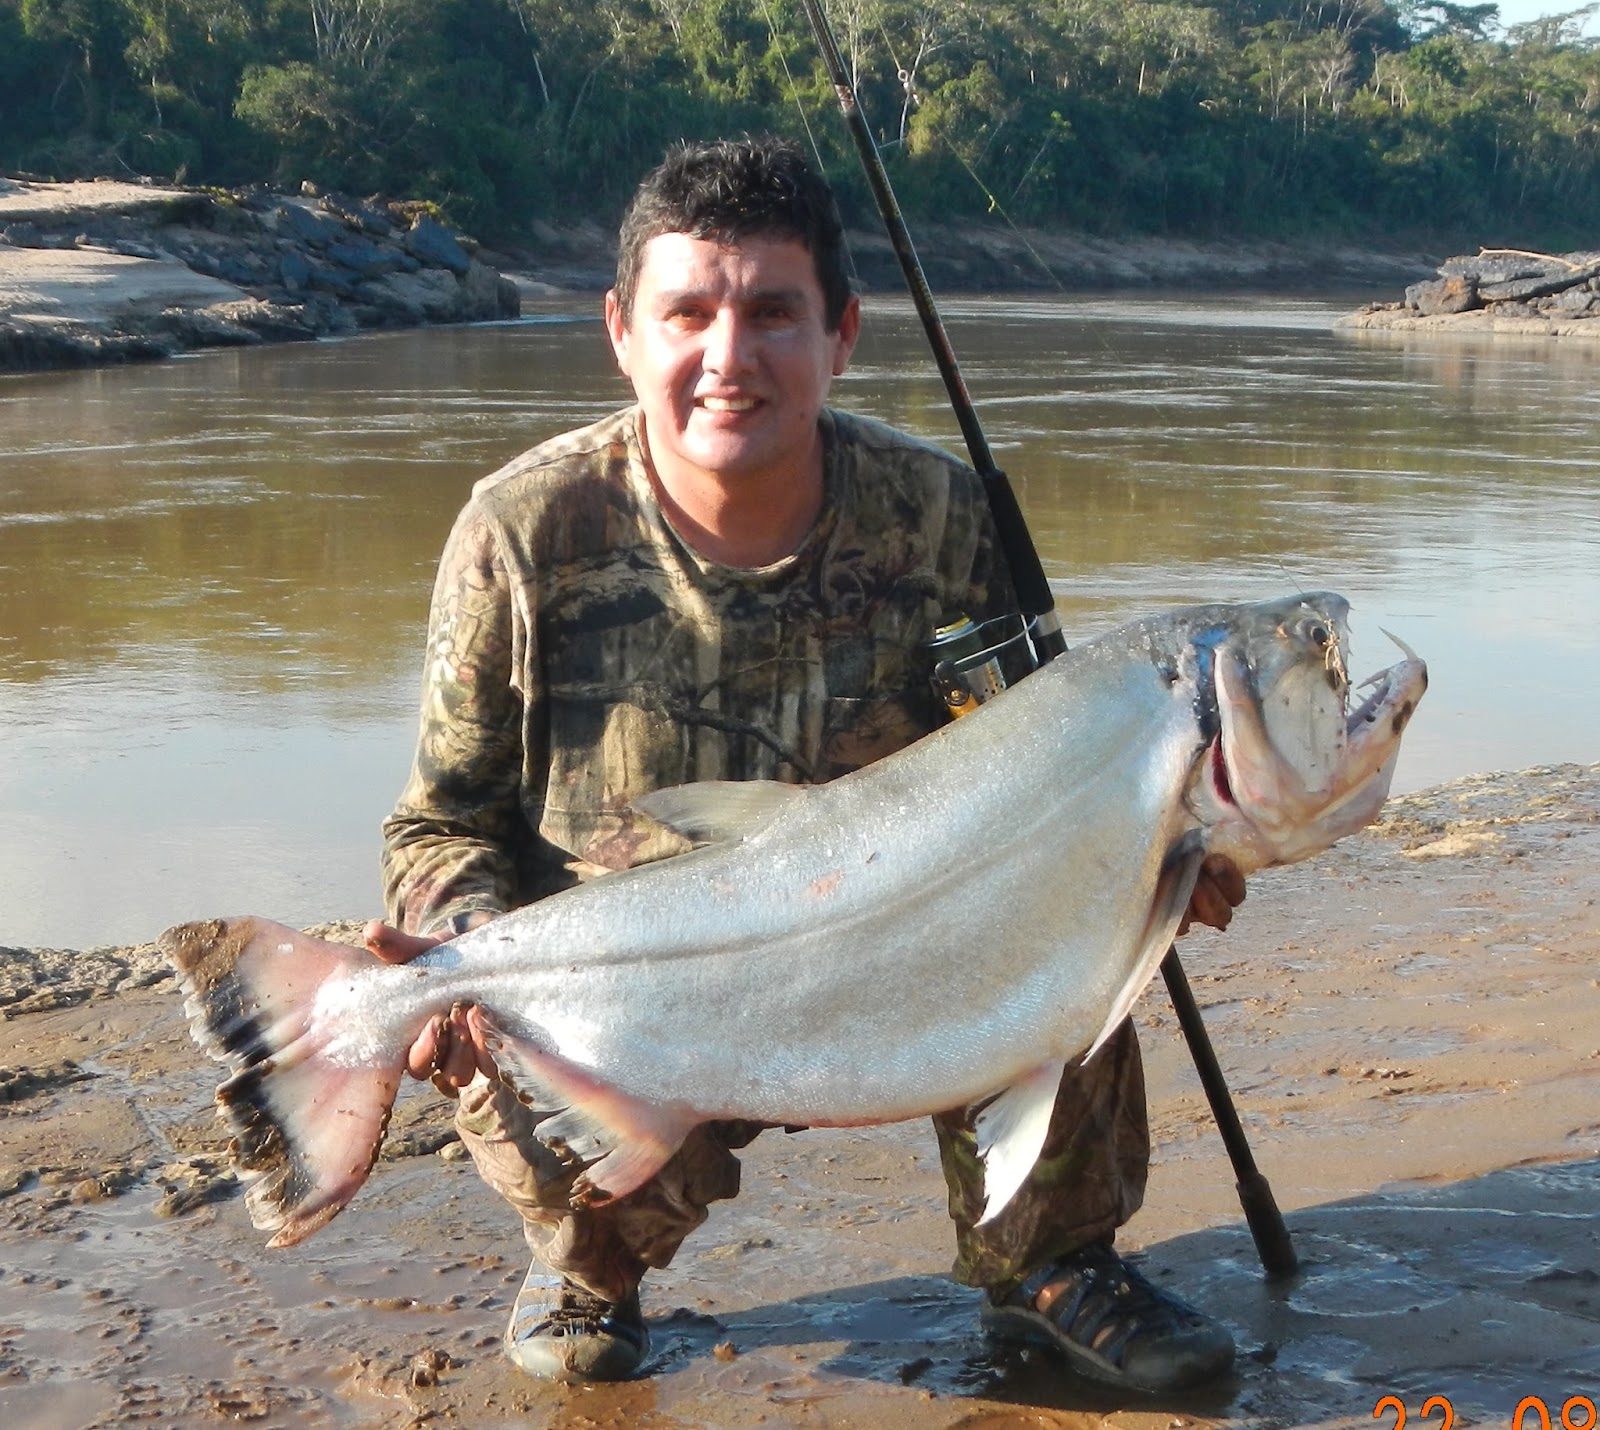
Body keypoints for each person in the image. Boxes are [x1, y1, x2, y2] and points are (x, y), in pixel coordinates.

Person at [367, 136, 1244, 1394]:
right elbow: (442, 821)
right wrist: (462, 948)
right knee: (564, 1164)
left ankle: (1052, 1259)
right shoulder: (520, 529)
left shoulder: (946, 518)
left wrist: (1151, 851)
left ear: (841, 333)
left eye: (773, 313)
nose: (729, 358)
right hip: (635, 976)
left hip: (903, 941)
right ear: (621, 331)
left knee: (1067, 920)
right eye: (688, 313)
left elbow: (1048, 775)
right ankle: (585, 1264)